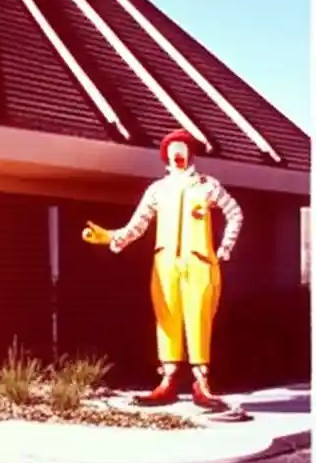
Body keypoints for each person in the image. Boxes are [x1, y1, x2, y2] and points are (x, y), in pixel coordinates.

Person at [82, 128, 244, 412]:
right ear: (166, 156)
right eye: (173, 150)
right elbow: (138, 225)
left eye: (182, 149)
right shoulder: (157, 190)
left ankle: (201, 382)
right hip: (165, 262)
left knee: (198, 318)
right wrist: (110, 237)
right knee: (166, 317)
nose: (178, 154)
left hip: (200, 262)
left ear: (190, 154)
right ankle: (167, 381)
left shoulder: (207, 186)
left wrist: (225, 246)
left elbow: (235, 213)